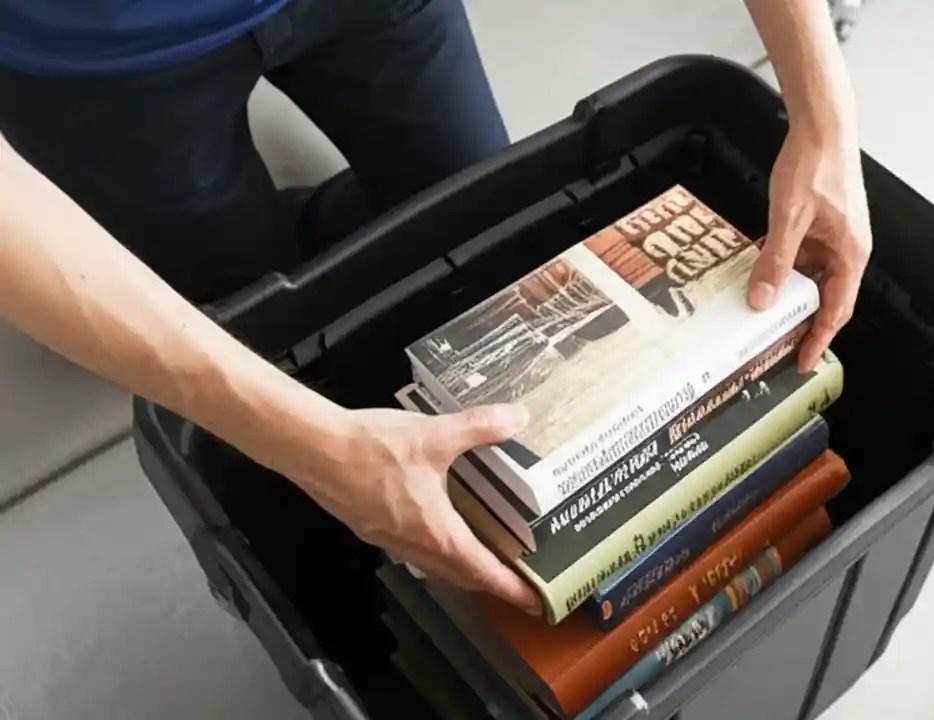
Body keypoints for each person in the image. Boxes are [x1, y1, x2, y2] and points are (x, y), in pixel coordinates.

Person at [0, 0, 872, 617]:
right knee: (248, 309)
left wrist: (824, 116)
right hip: (93, 61)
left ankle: (312, 235)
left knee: (484, 220)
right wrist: (312, 445)